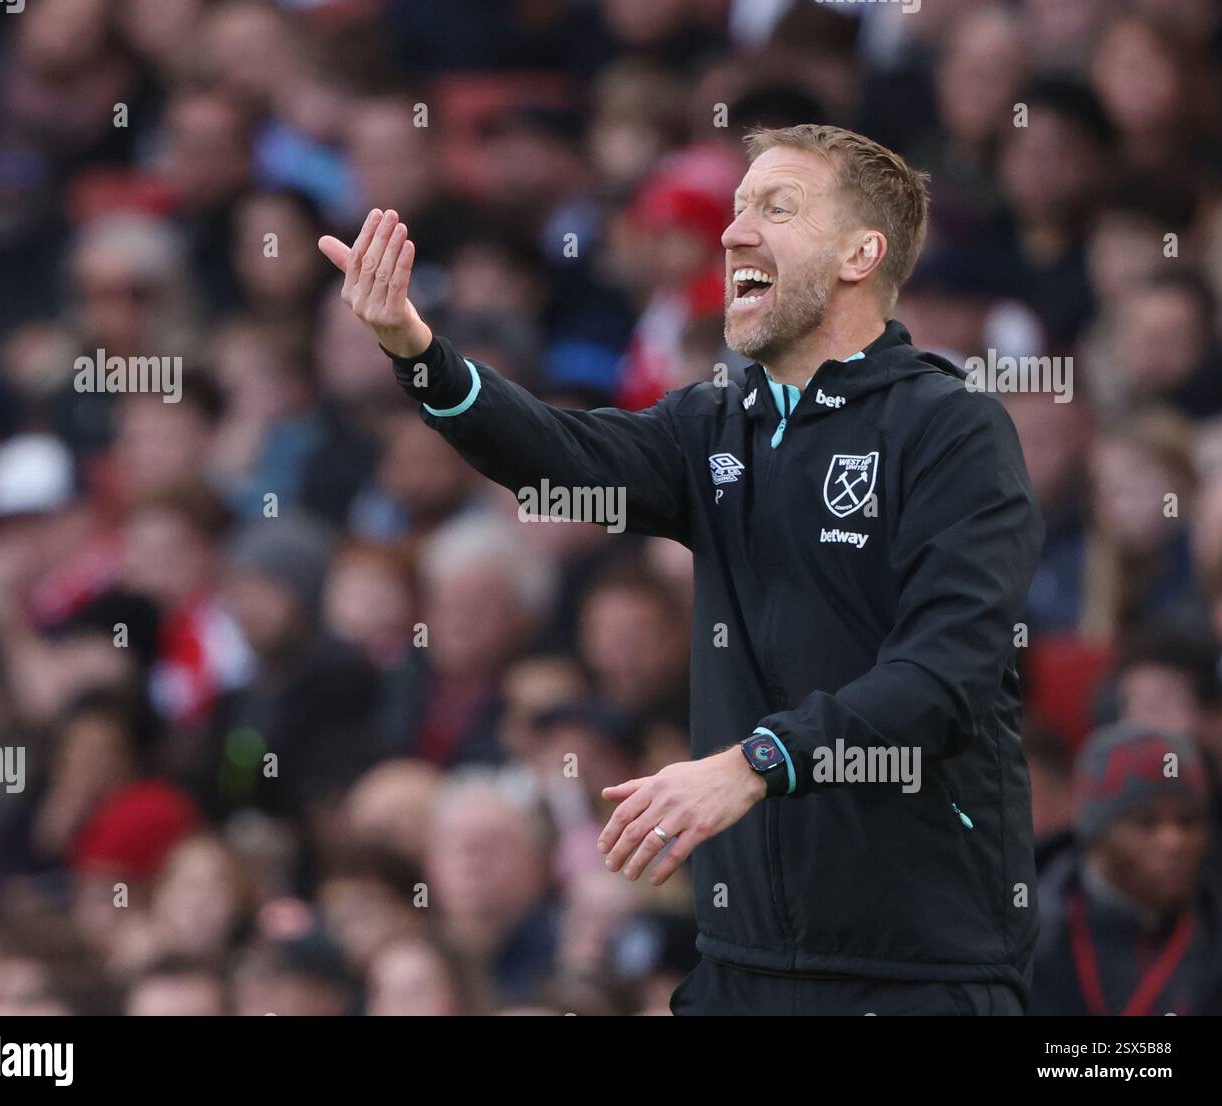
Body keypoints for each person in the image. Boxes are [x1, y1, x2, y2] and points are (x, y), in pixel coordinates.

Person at [318, 122, 1043, 1015]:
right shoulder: (714, 422)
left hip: (914, 973)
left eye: (777, 208)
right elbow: (557, 460)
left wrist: (756, 761)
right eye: (738, 209)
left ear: (862, 252)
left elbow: (946, 674)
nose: (735, 232)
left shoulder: (951, 429)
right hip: (740, 968)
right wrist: (418, 354)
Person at [1030, 723, 1222, 1016]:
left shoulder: (1211, 926)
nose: (1173, 842)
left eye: (1189, 821)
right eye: (1146, 823)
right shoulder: (1030, 941)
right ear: (1096, 836)